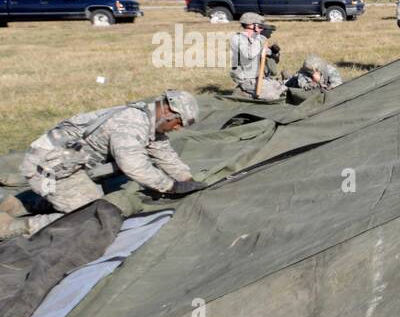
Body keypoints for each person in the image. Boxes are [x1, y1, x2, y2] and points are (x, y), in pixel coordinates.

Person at [13, 90, 204, 236]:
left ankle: (24, 203)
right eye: (179, 122)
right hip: (49, 170)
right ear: (168, 111)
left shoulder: (149, 120)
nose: (178, 128)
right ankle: (14, 226)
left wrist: (187, 179)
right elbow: (134, 165)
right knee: (91, 216)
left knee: (96, 198)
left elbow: (164, 153)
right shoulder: (131, 124)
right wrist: (170, 186)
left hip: (65, 166)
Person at [229, 12, 285, 100]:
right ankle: (243, 92)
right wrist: (262, 37)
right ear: (252, 25)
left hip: (259, 77)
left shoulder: (254, 38)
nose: (261, 28)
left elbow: (264, 52)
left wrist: (273, 53)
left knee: (282, 88)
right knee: (274, 96)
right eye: (259, 26)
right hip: (247, 80)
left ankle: (247, 92)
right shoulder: (238, 39)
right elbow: (250, 54)